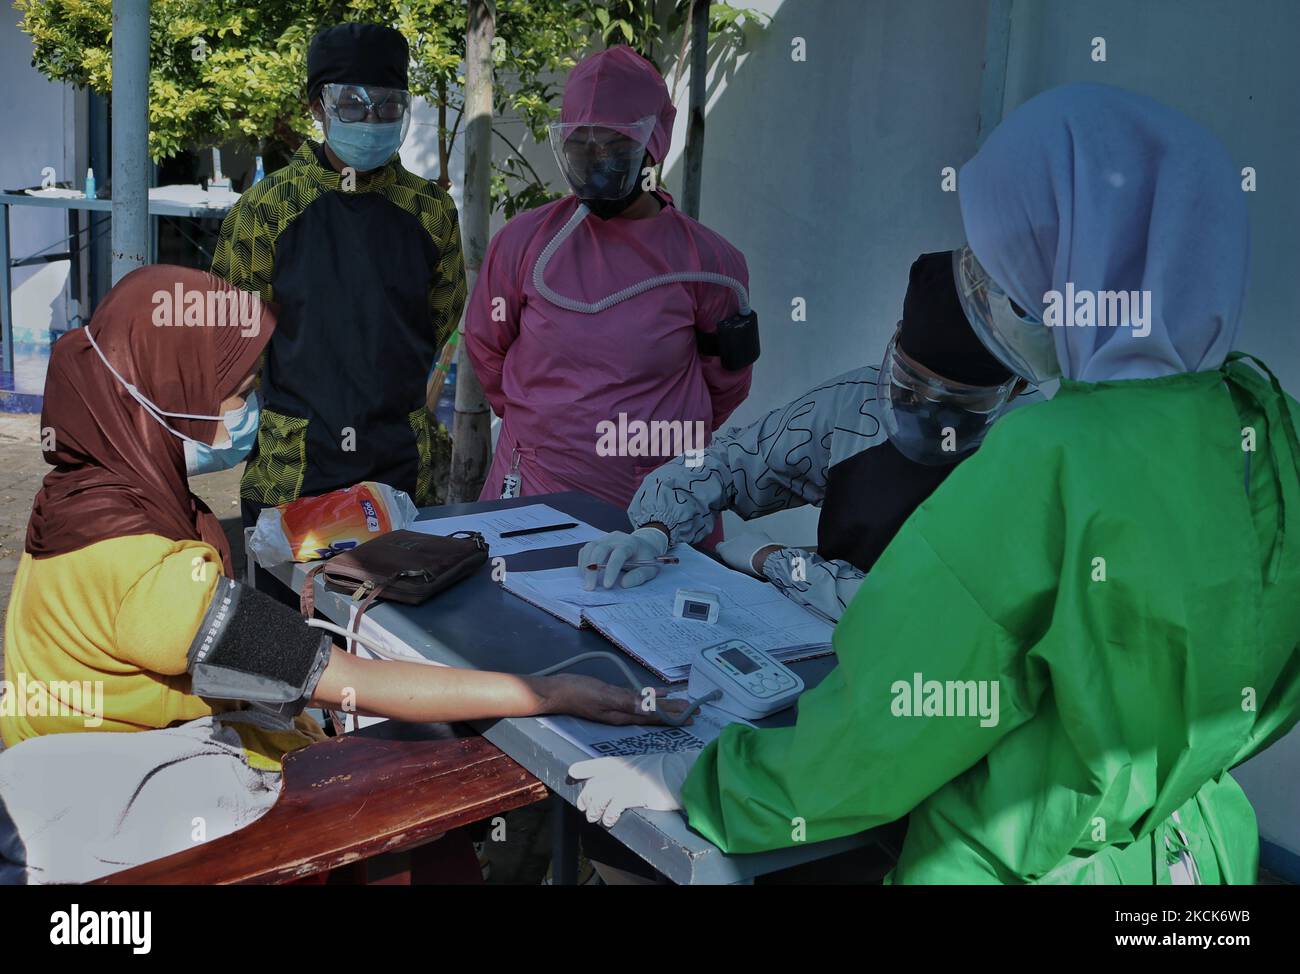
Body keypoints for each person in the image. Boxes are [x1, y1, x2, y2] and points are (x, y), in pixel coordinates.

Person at [570, 83, 1300, 884]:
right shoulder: (1261, 426)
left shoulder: (1048, 452)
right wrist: (654, 525)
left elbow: (895, 721)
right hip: (1193, 851)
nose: (1003, 299)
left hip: (1014, 855)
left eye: (1015, 272)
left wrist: (697, 783)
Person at [0, 266, 679, 884]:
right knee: (427, 789)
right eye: (236, 394)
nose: (247, 414)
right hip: (138, 820)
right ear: (166, 401)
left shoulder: (82, 496)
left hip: (81, 774)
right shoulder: (153, 577)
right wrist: (549, 691)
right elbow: (347, 680)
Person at [579, 251, 1027, 622]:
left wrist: (774, 560)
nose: (926, 407)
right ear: (894, 340)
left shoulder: (1034, 454)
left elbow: (927, 610)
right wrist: (656, 531)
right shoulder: (856, 403)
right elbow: (731, 461)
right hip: (818, 651)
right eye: (910, 385)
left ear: (1016, 386)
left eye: (953, 401)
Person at [465, 46, 753, 509]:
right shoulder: (524, 243)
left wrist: (652, 446)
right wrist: (541, 427)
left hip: (658, 500)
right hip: (535, 486)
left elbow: (728, 380)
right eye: (581, 146)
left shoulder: (710, 263)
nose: (597, 162)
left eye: (616, 148)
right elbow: (486, 346)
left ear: (653, 142)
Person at [211, 23, 465, 545]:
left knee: (393, 619)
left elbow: (441, 316)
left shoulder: (430, 209)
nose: (371, 120)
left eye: (387, 106)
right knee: (290, 624)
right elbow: (231, 342)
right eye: (353, 104)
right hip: (293, 469)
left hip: (403, 467)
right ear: (316, 107)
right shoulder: (266, 210)